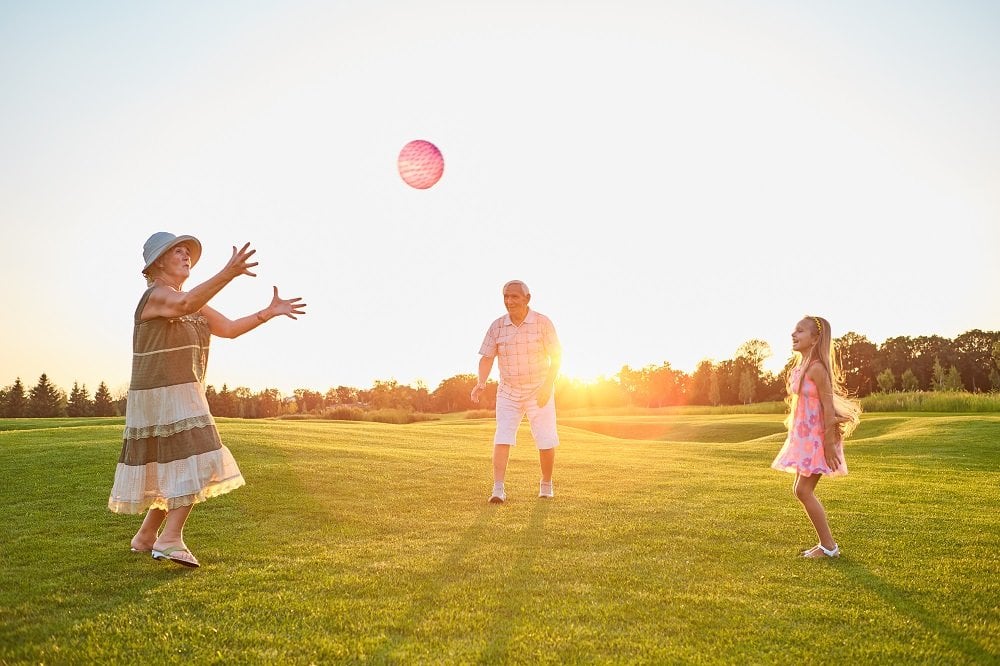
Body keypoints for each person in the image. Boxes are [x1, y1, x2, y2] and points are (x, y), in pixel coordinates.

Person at [108, 231, 306, 567]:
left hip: (180, 389)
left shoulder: (192, 302)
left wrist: (267, 313)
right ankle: (170, 539)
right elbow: (184, 304)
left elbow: (228, 328)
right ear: (158, 262)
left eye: (188, 253)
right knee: (200, 456)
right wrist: (228, 272)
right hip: (161, 391)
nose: (187, 257)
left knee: (169, 463)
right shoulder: (156, 297)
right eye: (179, 252)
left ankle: (145, 537)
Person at [771, 315, 861, 558]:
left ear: (814, 338)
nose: (793, 334)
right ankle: (826, 545)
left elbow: (828, 408)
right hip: (805, 439)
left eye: (800, 331)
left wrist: (829, 445)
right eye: (794, 330)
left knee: (802, 491)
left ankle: (829, 547)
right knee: (801, 490)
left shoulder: (817, 369)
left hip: (818, 439)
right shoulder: (802, 366)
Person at [471, 280, 561, 503]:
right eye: (505, 297)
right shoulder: (497, 326)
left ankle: (546, 483)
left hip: (539, 389)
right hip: (508, 392)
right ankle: (498, 489)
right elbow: (487, 358)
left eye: (514, 297)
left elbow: (556, 358)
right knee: (502, 436)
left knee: (545, 439)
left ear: (527, 298)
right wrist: (481, 382)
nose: (509, 301)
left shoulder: (542, 322)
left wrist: (548, 385)